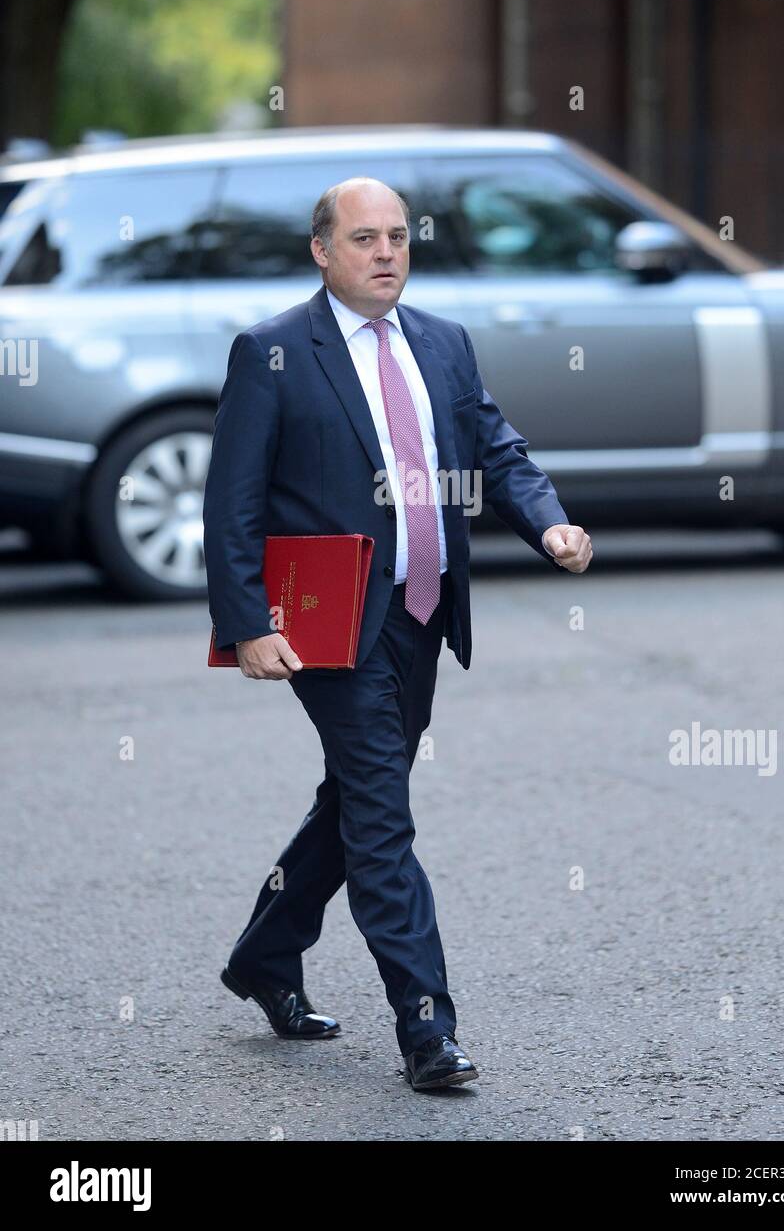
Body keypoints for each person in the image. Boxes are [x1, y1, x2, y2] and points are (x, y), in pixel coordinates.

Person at [203, 177, 593, 1092]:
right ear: (321, 250)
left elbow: (496, 450)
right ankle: (426, 1030)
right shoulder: (270, 353)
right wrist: (246, 622)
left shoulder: (442, 343)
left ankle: (263, 955)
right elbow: (232, 502)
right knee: (382, 816)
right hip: (332, 624)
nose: (386, 253)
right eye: (365, 238)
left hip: (423, 609)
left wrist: (549, 523)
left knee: (355, 797)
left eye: (399, 238)